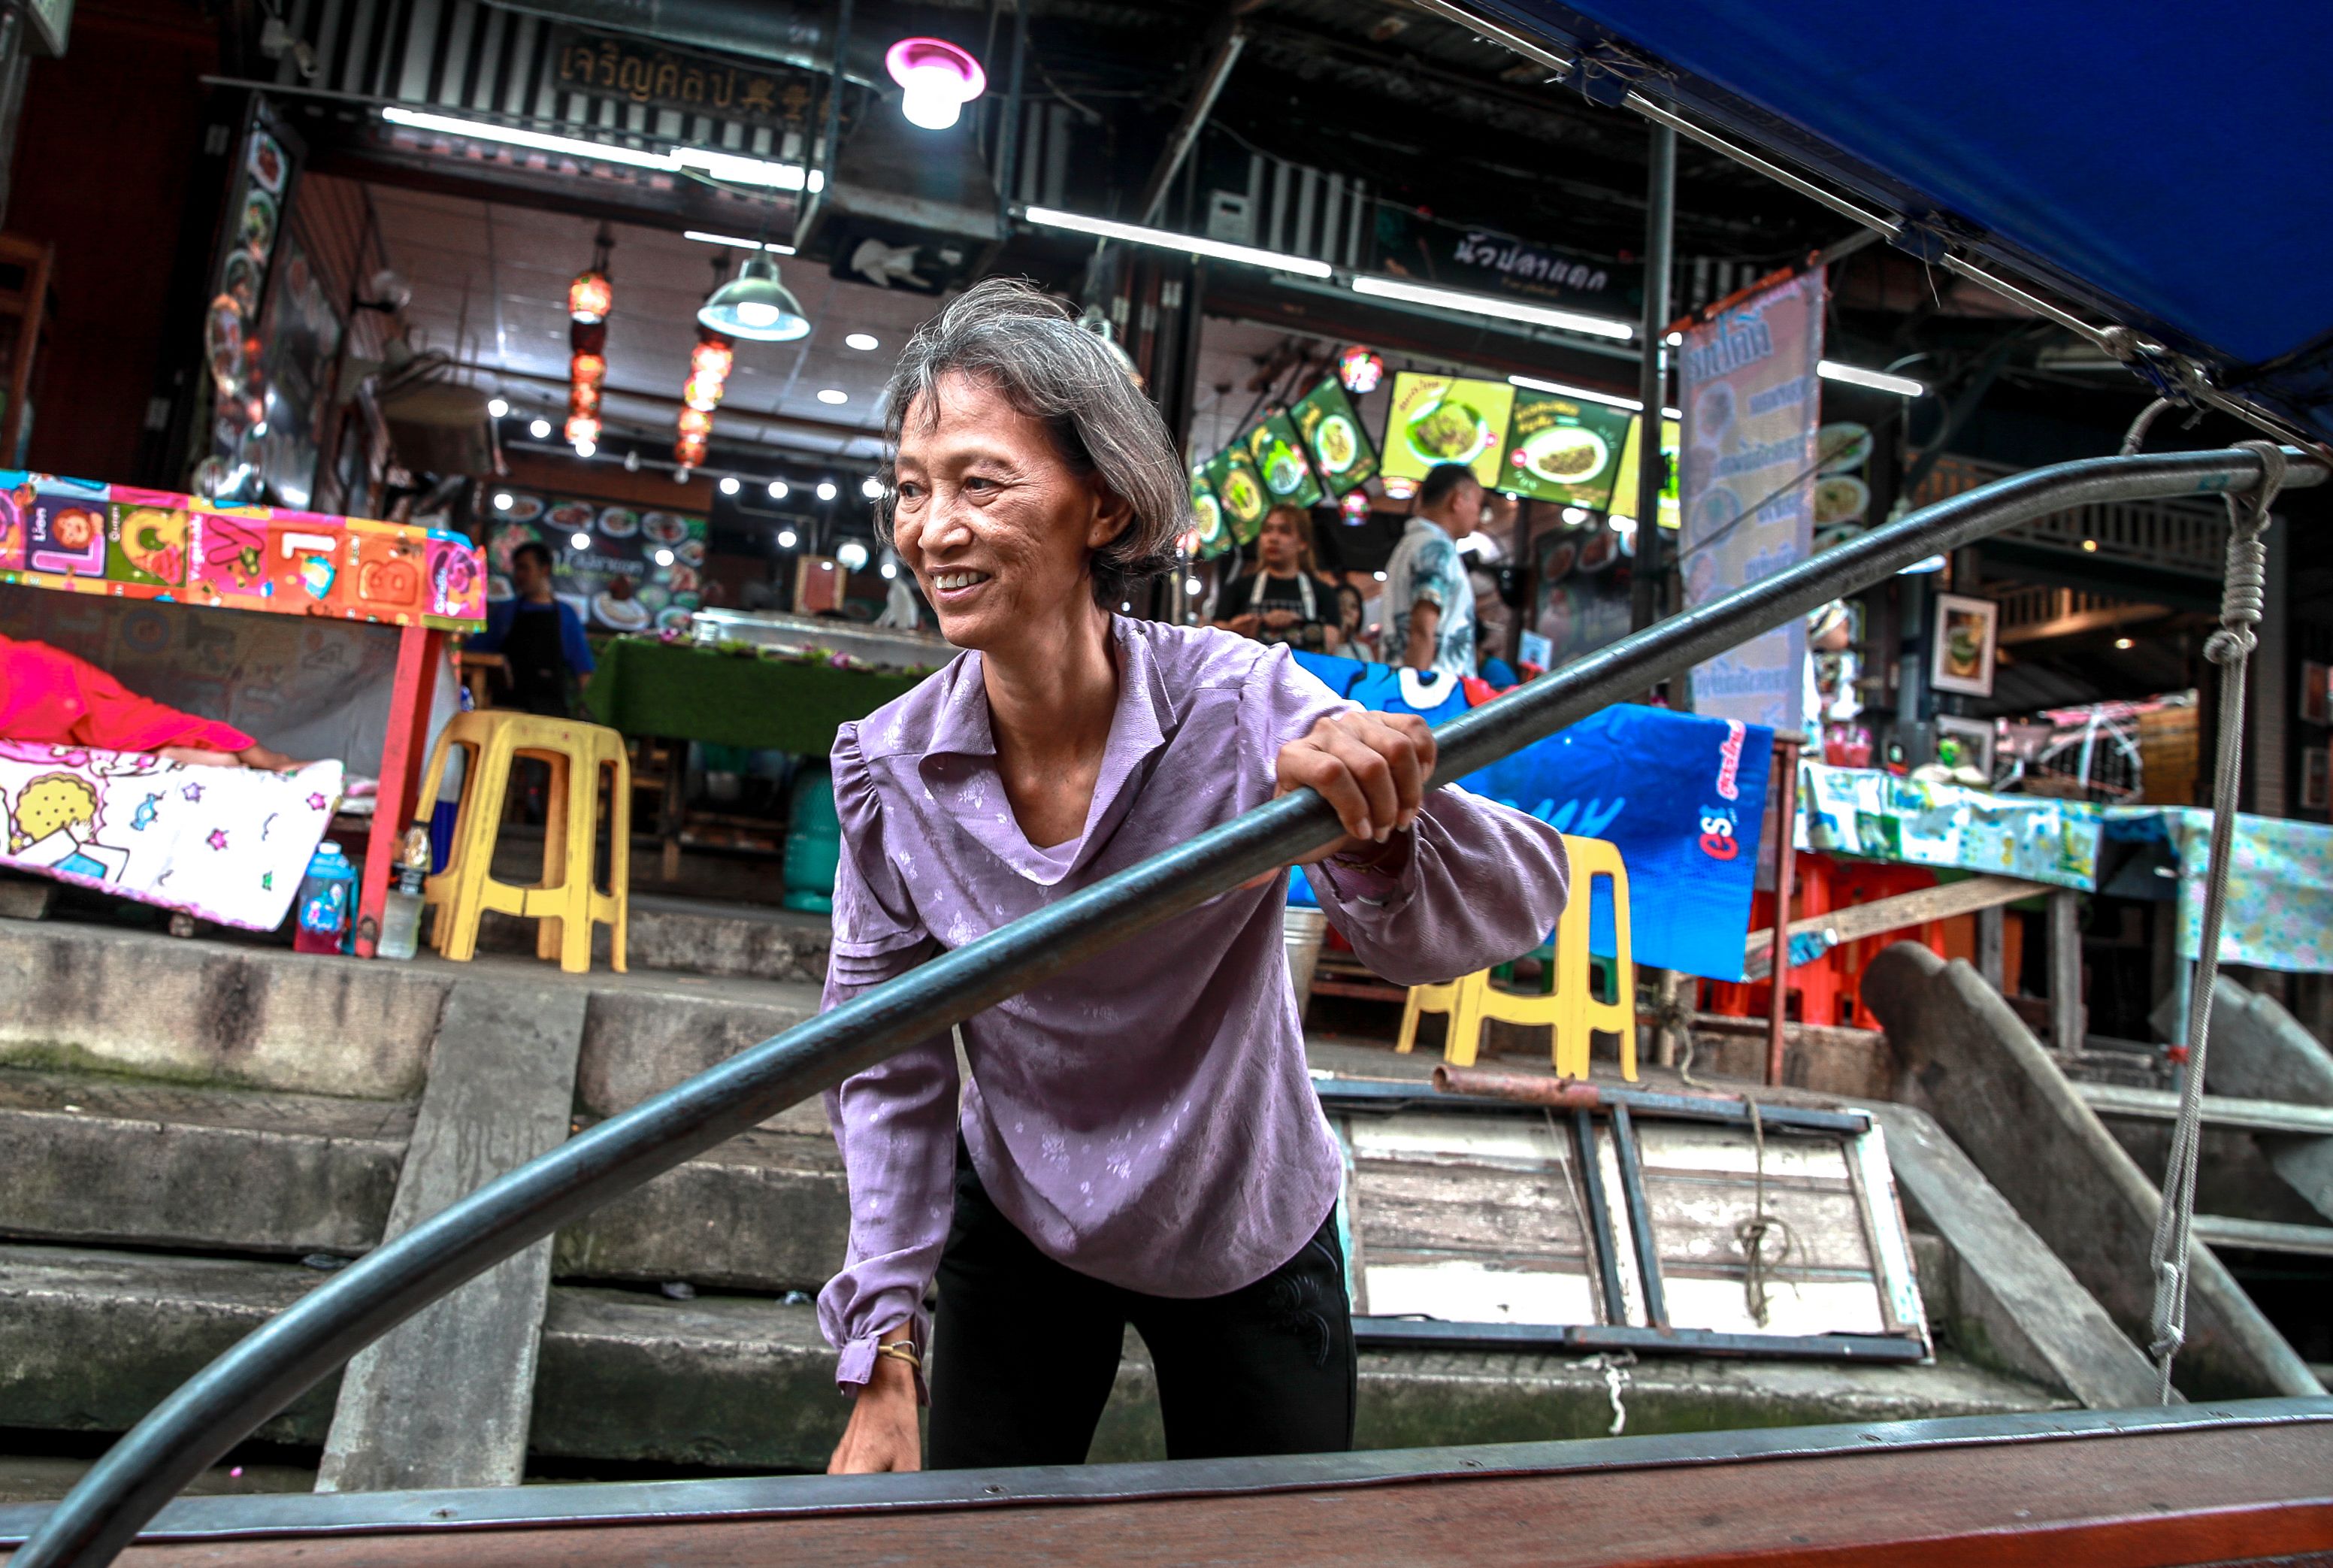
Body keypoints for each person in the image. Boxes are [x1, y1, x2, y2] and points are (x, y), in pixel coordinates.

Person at [818, 279, 1568, 1476]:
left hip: (1245, 1215)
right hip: (1018, 1214)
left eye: (980, 480)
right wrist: (885, 1352)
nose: (932, 527)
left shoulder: (1234, 705)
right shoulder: (890, 771)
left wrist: (1377, 826)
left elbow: (1517, 900)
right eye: (913, 486)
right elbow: (887, 1062)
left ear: (1103, 505)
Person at [0, 633, 298, 769]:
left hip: (36, 683)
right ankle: (254, 759)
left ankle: (265, 760)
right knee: (138, 731)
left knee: (139, 727)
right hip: (36, 683)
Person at [469, 540, 595, 716]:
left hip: (551, 716)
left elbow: (584, 670)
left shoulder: (567, 615)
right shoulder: (505, 612)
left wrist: (586, 710)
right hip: (504, 711)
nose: (518, 575)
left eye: (524, 568)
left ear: (545, 570)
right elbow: (475, 655)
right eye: (516, 569)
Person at [1381, 462, 1481, 680]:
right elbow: (1422, 629)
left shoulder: (1409, 545)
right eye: (1478, 504)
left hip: (1400, 680)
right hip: (1433, 693)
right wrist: (1414, 698)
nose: (1478, 515)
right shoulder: (1435, 548)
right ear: (1457, 500)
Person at [1212, 504, 1342, 652]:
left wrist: (1295, 622)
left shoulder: (1323, 593)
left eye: (1284, 531)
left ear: (1302, 543)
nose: (1273, 538)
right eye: (1267, 530)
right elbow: (1215, 638)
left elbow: (1331, 643)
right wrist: (1235, 629)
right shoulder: (1238, 588)